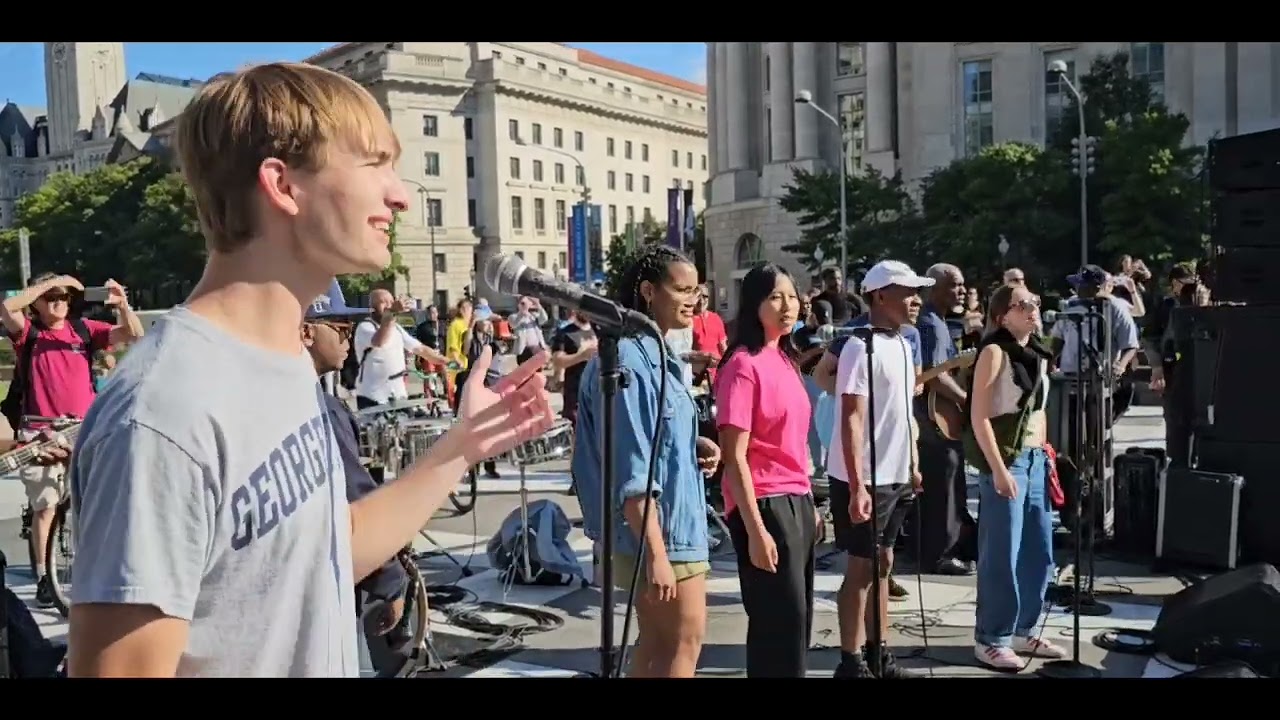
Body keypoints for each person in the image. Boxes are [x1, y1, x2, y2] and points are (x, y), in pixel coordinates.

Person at [64, 62, 555, 678]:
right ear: (284, 186)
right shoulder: (162, 413)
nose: (400, 195)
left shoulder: (287, 364)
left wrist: (462, 446)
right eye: (375, 163)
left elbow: (325, 551)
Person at [571, 244, 720, 678]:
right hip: (661, 532)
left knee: (656, 641)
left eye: (697, 289)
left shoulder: (655, 352)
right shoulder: (630, 360)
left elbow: (653, 438)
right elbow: (631, 468)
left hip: (668, 525)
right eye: (682, 289)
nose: (693, 299)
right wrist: (655, 552)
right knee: (682, 642)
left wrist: (692, 446)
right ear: (648, 291)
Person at [0, 272, 143, 606]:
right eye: (51, 296)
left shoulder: (82, 329)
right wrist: (54, 282)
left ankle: (90, 568)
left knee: (92, 502)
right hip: (40, 432)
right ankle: (43, 577)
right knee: (46, 504)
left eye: (64, 295)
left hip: (83, 428)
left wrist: (122, 305)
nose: (59, 301)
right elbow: (7, 307)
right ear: (35, 302)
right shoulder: (28, 333)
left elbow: (133, 334)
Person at [302, 280, 412, 676]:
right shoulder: (320, 408)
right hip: (325, 590)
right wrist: (391, 582)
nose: (348, 339)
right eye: (341, 328)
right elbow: (356, 503)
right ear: (306, 331)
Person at [827, 260, 930, 679]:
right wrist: (856, 486)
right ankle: (849, 661)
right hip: (865, 478)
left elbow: (904, 413)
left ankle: (878, 653)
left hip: (896, 475)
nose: (916, 300)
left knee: (883, 565)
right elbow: (851, 417)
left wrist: (913, 463)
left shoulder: (905, 344)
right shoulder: (858, 347)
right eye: (907, 292)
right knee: (861, 567)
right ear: (880, 296)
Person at [716, 263, 818, 678]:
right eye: (775, 297)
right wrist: (756, 530)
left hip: (797, 499)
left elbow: (795, 443)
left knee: (798, 627)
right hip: (762, 503)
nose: (786, 305)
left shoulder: (786, 360)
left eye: (792, 296)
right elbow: (734, 454)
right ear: (754, 304)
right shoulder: (743, 366)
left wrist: (811, 505)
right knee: (778, 627)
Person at [965, 284, 1066, 671]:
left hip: (1036, 458)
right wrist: (998, 468)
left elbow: (1037, 412)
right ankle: (992, 636)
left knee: (1039, 550)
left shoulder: (1037, 353)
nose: (1033, 310)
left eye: (1036, 303)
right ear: (1002, 315)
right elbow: (980, 417)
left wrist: (1047, 455)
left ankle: (1024, 627)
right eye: (1023, 305)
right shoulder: (994, 352)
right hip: (1008, 460)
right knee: (1001, 554)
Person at [915, 263, 976, 576]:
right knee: (945, 485)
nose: (961, 290)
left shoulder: (935, 321)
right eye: (954, 284)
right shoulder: (932, 325)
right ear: (933, 288)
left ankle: (942, 549)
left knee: (943, 484)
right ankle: (941, 555)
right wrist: (967, 401)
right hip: (934, 421)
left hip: (934, 419)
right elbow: (936, 376)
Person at [352, 288, 448, 411]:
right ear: (372, 308)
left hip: (398, 396)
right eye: (383, 302)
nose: (388, 305)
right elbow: (379, 341)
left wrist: (446, 361)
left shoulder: (396, 328)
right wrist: (391, 313)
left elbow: (421, 349)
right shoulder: (365, 327)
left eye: (391, 302)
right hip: (373, 397)